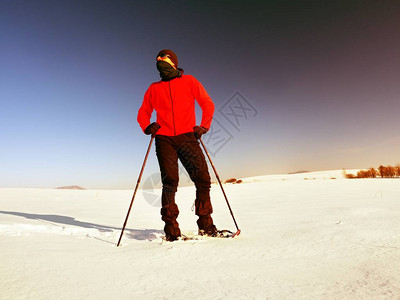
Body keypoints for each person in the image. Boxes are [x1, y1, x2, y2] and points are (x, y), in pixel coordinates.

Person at [137, 49, 217, 241]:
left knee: (203, 179)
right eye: (156, 59)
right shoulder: (153, 88)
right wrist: (147, 126)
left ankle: (205, 225)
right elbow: (143, 112)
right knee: (170, 181)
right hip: (164, 139)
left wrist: (203, 126)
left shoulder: (189, 81)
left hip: (188, 136)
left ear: (173, 62)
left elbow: (207, 104)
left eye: (163, 58)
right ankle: (171, 229)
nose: (159, 61)